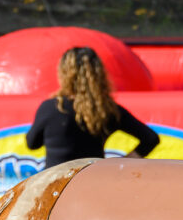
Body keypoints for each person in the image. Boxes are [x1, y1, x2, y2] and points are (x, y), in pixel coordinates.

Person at [27, 46, 160, 168]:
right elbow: (150, 139)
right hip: (90, 182)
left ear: (63, 74)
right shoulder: (106, 110)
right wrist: (121, 164)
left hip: (56, 185)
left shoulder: (51, 107)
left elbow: (32, 144)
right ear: (99, 74)